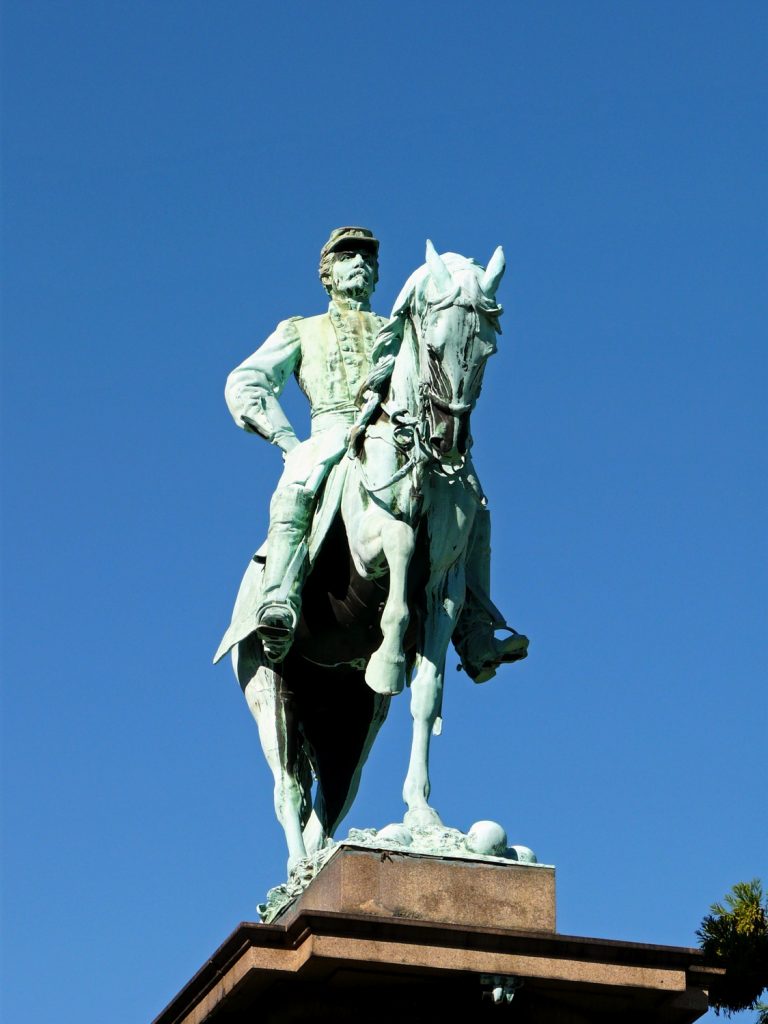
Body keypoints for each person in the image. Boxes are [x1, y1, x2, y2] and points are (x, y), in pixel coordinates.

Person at [224, 226, 528, 676]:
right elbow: (246, 382)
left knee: (473, 502)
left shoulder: (398, 328)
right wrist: (287, 441)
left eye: (367, 259)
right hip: (331, 433)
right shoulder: (301, 329)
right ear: (327, 274)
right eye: (348, 257)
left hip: (399, 436)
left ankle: (474, 628)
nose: (360, 265)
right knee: (296, 486)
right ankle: (279, 600)